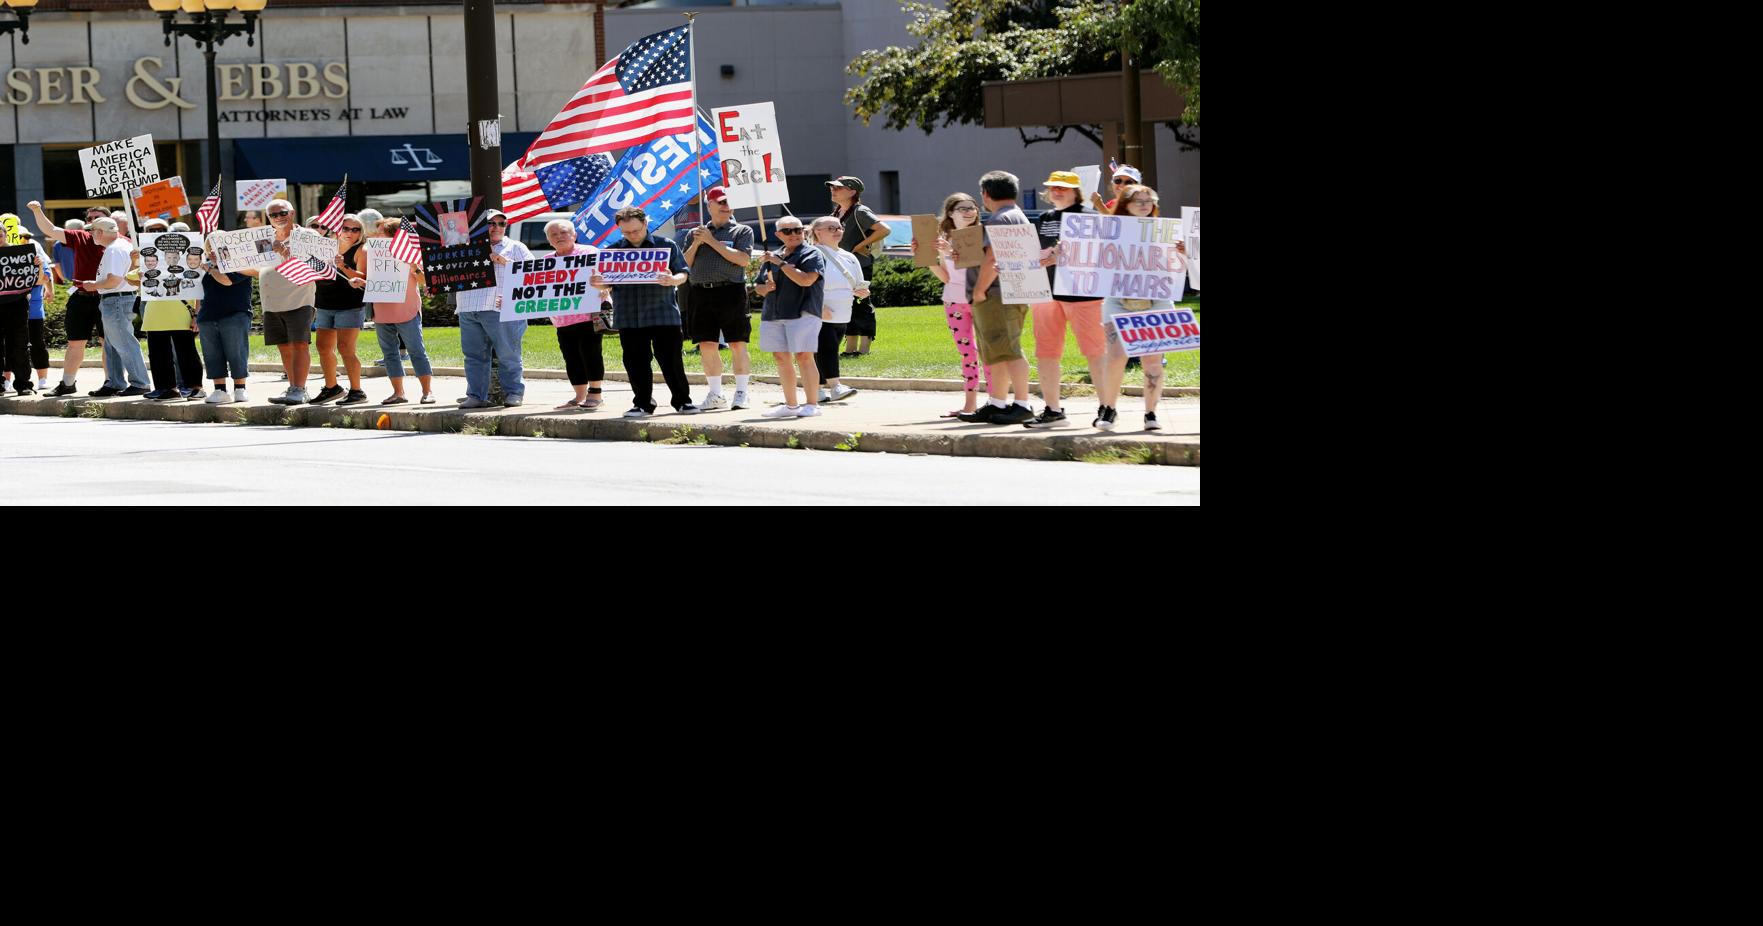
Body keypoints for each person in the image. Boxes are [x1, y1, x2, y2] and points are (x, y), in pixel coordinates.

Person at [1093, 184, 1188, 432]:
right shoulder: (1109, 231)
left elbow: (1180, 266)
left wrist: (1184, 252)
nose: (1145, 204)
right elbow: (1088, 257)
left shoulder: (1165, 232)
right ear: (1125, 205)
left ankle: (1150, 413)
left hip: (1156, 298)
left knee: (1153, 361)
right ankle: (1109, 409)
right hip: (1119, 299)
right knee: (1115, 357)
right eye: (1138, 201)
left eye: (1149, 200)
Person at [589, 207, 699, 418]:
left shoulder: (665, 245)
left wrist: (672, 280)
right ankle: (642, 403)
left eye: (636, 231)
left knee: (671, 362)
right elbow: (606, 284)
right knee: (635, 363)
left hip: (663, 314)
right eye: (626, 232)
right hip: (629, 317)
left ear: (645, 224)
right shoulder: (612, 252)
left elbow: (684, 273)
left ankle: (683, 401)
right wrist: (598, 284)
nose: (632, 235)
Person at [1023, 171, 1106, 429]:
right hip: (1046, 292)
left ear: (1075, 191)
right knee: (1046, 351)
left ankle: (1107, 407)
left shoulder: (1089, 217)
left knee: (1095, 351)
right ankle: (1053, 410)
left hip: (1083, 293)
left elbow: (1099, 253)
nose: (1057, 191)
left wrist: (1063, 258)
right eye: (1053, 187)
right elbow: (1034, 251)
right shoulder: (1045, 218)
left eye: (1064, 188)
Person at [955, 171, 1035, 425]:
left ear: (986, 194)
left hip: (997, 294)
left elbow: (992, 257)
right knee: (997, 350)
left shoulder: (999, 219)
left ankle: (1022, 404)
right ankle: (997, 402)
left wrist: (979, 290)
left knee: (1008, 349)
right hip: (1012, 291)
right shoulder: (1016, 215)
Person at [917, 193, 990, 417]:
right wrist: (925, 255)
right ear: (950, 213)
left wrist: (950, 251)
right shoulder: (943, 238)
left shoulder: (981, 235)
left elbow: (977, 268)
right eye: (962, 208)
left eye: (972, 207)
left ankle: (996, 402)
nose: (969, 211)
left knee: (989, 353)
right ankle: (969, 405)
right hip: (954, 301)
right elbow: (947, 277)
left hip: (980, 300)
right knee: (967, 354)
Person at [26, 202, 111, 396]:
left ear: (108, 221)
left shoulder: (118, 240)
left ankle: (110, 382)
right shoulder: (79, 236)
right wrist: (37, 210)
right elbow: (51, 229)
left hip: (106, 297)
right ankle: (67, 383)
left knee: (108, 342)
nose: (91, 222)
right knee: (75, 342)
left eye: (96, 218)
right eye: (89, 219)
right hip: (80, 297)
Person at [238, 199, 316, 405]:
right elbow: (257, 269)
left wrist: (286, 254)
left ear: (292, 213)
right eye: (273, 215)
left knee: (299, 344)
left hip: (299, 298)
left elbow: (318, 266)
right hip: (272, 302)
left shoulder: (307, 236)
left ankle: (300, 389)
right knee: (283, 346)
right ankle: (293, 387)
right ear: (268, 218)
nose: (279, 217)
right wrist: (227, 263)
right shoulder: (264, 238)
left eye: (282, 213)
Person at [684, 187, 756, 412]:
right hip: (701, 292)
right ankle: (715, 393)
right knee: (706, 344)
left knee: (737, 343)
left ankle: (742, 392)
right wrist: (697, 242)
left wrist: (712, 241)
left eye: (729, 202)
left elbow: (743, 260)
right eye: (721, 202)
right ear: (709, 206)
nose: (726, 206)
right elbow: (685, 263)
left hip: (731, 291)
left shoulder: (741, 231)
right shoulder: (694, 233)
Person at [457, 209, 532, 409]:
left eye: (501, 224)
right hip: (467, 306)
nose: (496, 228)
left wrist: (504, 261)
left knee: (508, 354)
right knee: (473, 356)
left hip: (501, 308)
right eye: (491, 223)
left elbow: (533, 273)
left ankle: (514, 393)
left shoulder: (515, 247)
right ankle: (476, 396)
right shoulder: (464, 247)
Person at [752, 215, 825, 419]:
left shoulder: (812, 253)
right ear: (778, 235)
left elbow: (806, 280)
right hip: (774, 312)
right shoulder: (772, 256)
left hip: (803, 311)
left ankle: (812, 404)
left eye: (798, 229)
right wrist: (764, 288)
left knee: (804, 355)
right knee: (781, 357)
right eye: (788, 231)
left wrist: (781, 263)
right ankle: (791, 405)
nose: (794, 234)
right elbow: (757, 287)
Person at [541, 219, 608, 411]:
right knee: (571, 356)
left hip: (589, 314)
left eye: (563, 232)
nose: (559, 237)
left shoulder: (589, 253)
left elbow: (607, 277)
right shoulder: (546, 261)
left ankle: (595, 394)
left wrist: (604, 287)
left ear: (574, 235)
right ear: (549, 240)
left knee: (591, 353)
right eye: (554, 235)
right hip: (561, 318)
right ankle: (579, 396)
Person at [370, 218, 434, 405]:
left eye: (381, 231)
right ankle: (398, 393)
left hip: (407, 309)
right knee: (389, 353)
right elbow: (368, 279)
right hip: (381, 309)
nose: (377, 235)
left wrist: (414, 268)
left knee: (416, 351)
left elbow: (423, 281)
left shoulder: (410, 253)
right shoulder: (373, 253)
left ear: (394, 235)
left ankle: (427, 392)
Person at [86, 216, 152, 397]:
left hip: (116, 299)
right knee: (113, 343)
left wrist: (93, 285)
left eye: (92, 231)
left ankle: (140, 382)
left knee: (122, 341)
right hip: (119, 299)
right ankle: (115, 382)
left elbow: (114, 280)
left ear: (100, 232)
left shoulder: (114, 250)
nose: (91, 234)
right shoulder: (121, 246)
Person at [827, 176, 889, 358]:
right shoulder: (836, 212)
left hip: (860, 265)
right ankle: (850, 349)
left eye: (839, 188)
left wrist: (861, 246)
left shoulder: (860, 211)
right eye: (832, 187)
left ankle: (864, 349)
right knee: (848, 303)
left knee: (862, 303)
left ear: (852, 192)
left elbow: (884, 229)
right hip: (841, 265)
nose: (833, 190)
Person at [311, 214, 369, 406]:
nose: (350, 233)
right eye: (346, 228)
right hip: (325, 302)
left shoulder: (361, 249)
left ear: (361, 232)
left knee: (346, 348)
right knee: (323, 347)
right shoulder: (326, 246)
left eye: (355, 229)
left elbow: (364, 276)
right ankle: (331, 387)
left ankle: (357, 391)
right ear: (337, 229)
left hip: (350, 305)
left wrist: (342, 265)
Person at [809, 215, 867, 405]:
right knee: (829, 348)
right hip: (821, 309)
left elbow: (858, 282)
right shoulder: (813, 253)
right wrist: (818, 306)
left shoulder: (849, 256)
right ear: (818, 232)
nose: (837, 232)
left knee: (824, 350)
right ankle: (835, 386)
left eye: (839, 228)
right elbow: (808, 284)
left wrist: (862, 291)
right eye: (831, 228)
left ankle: (816, 389)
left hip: (843, 311)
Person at [197, 250, 253, 405]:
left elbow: (226, 280)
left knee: (237, 352)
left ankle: (240, 388)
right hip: (208, 315)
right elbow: (197, 291)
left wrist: (210, 269)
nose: (214, 250)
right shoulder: (202, 266)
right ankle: (219, 390)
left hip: (235, 313)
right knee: (212, 354)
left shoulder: (241, 264)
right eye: (210, 246)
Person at [142, 266, 204, 401]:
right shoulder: (150, 263)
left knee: (186, 352)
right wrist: (136, 261)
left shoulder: (189, 262)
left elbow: (199, 288)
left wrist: (197, 314)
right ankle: (166, 389)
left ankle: (195, 388)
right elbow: (131, 279)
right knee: (157, 353)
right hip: (155, 313)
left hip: (181, 313)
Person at [22, 230, 53, 392]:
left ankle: (42, 379)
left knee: (37, 343)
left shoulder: (36, 251)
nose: (24, 240)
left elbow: (45, 278)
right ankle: (7, 380)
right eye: (21, 237)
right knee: (9, 345)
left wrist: (40, 265)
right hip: (11, 308)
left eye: (26, 237)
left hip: (34, 309)